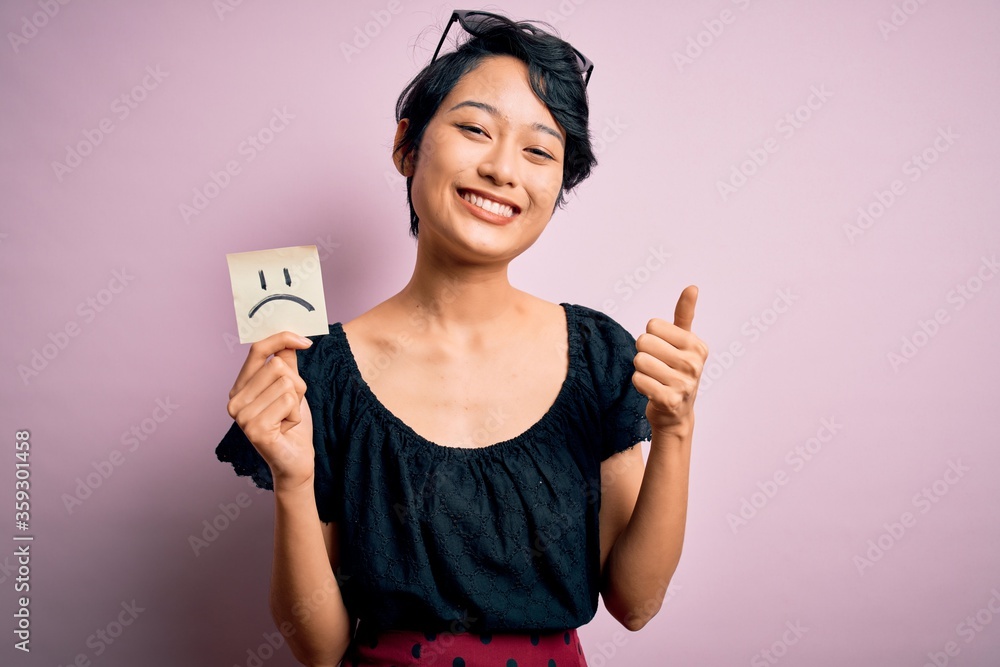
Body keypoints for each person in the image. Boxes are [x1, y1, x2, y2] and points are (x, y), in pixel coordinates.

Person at [216, 10, 707, 667]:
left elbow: (635, 602)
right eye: (475, 128)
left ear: (557, 184)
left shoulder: (598, 355)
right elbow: (321, 646)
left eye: (538, 149)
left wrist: (675, 428)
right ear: (406, 147)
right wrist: (293, 479)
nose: (504, 168)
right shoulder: (320, 371)